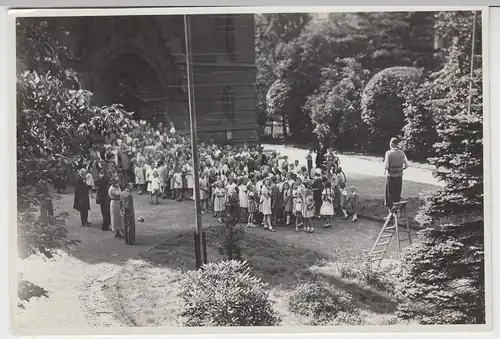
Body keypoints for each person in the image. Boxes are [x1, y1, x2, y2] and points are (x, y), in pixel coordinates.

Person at [383, 137, 409, 213]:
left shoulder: (388, 153)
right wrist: (400, 169)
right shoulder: (402, 153)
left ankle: (390, 215)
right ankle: (396, 215)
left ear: (391, 143)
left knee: (389, 196)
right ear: (397, 144)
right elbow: (407, 165)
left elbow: (386, 166)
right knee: (397, 195)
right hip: (399, 177)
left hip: (390, 177)